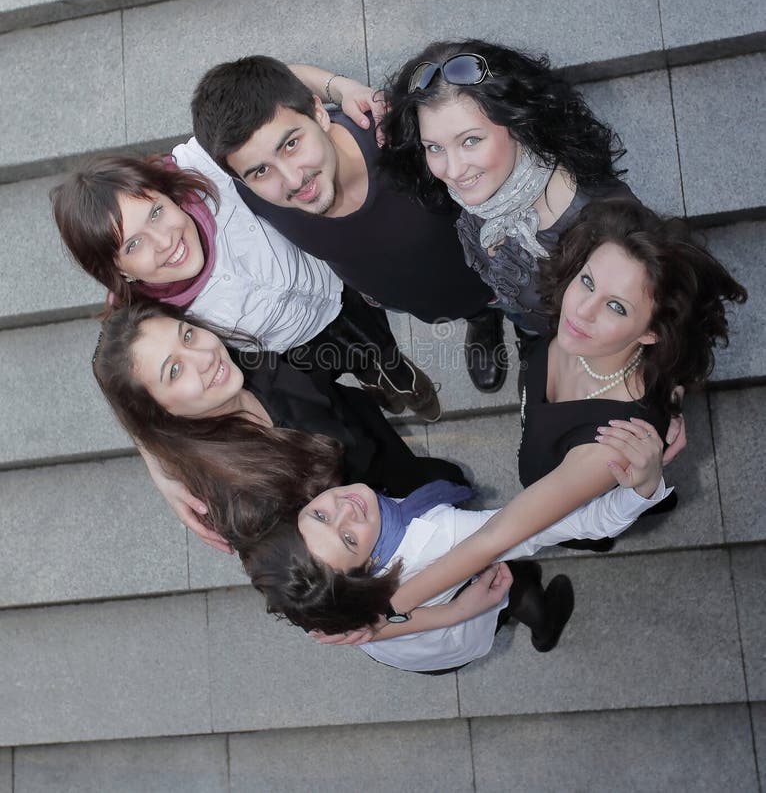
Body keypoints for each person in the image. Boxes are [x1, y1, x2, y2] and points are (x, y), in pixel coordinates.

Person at [362, 198, 747, 625]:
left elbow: (498, 536)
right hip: (547, 453)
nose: (580, 310)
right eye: (587, 281)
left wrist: (385, 610)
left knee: (576, 528)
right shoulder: (579, 330)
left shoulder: (614, 441)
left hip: (573, 497)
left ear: (652, 332)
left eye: (616, 306)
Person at [190, 55, 508, 394]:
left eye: (291, 144)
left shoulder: (398, 141)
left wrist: (335, 84)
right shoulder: (250, 186)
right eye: (261, 170)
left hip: (478, 275)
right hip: (394, 294)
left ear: (318, 112)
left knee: (486, 301)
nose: (294, 180)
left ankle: (485, 319)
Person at [50, 145, 440, 422]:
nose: (164, 241)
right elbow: (124, 378)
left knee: (374, 341)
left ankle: (396, 376)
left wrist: (340, 88)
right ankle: (375, 382)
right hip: (290, 347)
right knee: (340, 366)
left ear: (169, 194)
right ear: (119, 271)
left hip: (335, 288)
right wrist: (156, 459)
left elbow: (252, 100)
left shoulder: (203, 169)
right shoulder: (148, 312)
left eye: (155, 213)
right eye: (133, 245)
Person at [241, 426, 670, 672]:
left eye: (318, 516)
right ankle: (540, 616)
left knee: (492, 586)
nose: (344, 511)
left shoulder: (326, 599)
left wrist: (454, 611)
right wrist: (642, 492)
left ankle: (525, 610)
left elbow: (350, 631)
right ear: (366, 567)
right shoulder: (448, 534)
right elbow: (567, 522)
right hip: (443, 632)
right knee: (507, 580)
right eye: (348, 539)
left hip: (417, 647)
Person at [91, 301, 466, 548]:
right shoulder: (245, 507)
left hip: (379, 451)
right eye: (174, 371)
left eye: (187, 334)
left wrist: (149, 451)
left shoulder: (241, 366)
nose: (203, 355)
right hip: (377, 537)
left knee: (445, 491)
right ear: (160, 413)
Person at [380, 39, 631, 335]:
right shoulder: (486, 186)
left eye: (470, 141)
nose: (453, 170)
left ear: (516, 124)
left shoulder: (602, 222)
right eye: (434, 147)